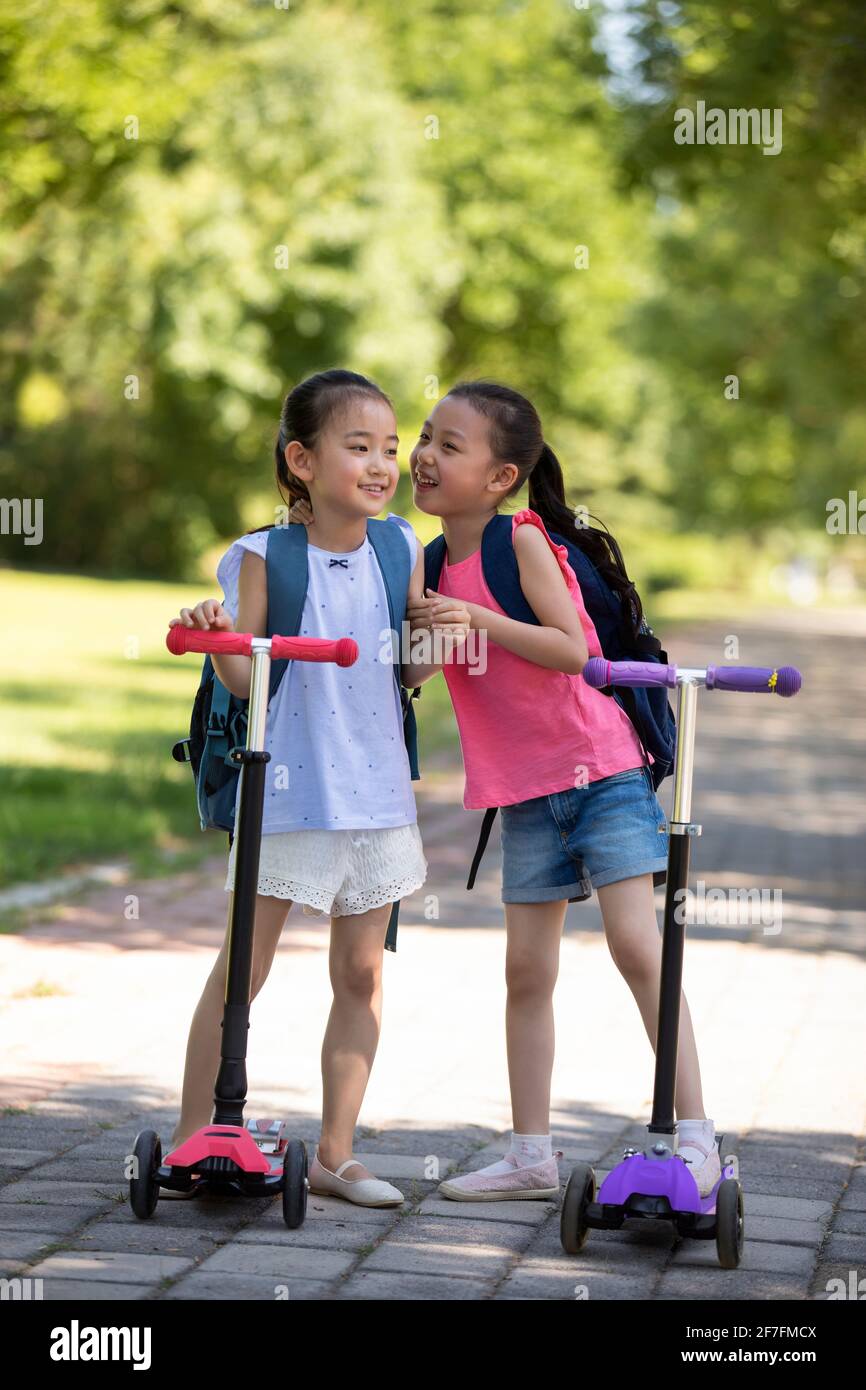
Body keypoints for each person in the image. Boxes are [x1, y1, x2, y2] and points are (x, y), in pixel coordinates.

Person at [405, 380, 720, 1200]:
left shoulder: (523, 541)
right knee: (525, 973)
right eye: (427, 437)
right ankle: (531, 1156)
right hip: (523, 791)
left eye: (450, 444)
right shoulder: (429, 560)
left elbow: (572, 650)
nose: (424, 455)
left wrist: (476, 622)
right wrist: (423, 636)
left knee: (636, 948)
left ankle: (696, 1137)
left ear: (502, 476)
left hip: (600, 769)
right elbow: (414, 671)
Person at [166, 369, 467, 1207]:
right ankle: (199, 1137)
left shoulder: (401, 544)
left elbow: (403, 672)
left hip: (374, 795)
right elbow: (240, 678)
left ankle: (336, 1153)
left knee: (362, 977)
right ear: (301, 459)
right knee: (243, 971)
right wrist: (218, 637)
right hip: (289, 794)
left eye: (390, 449)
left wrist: (435, 641)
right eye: (358, 446)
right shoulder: (264, 557)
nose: (381, 464)